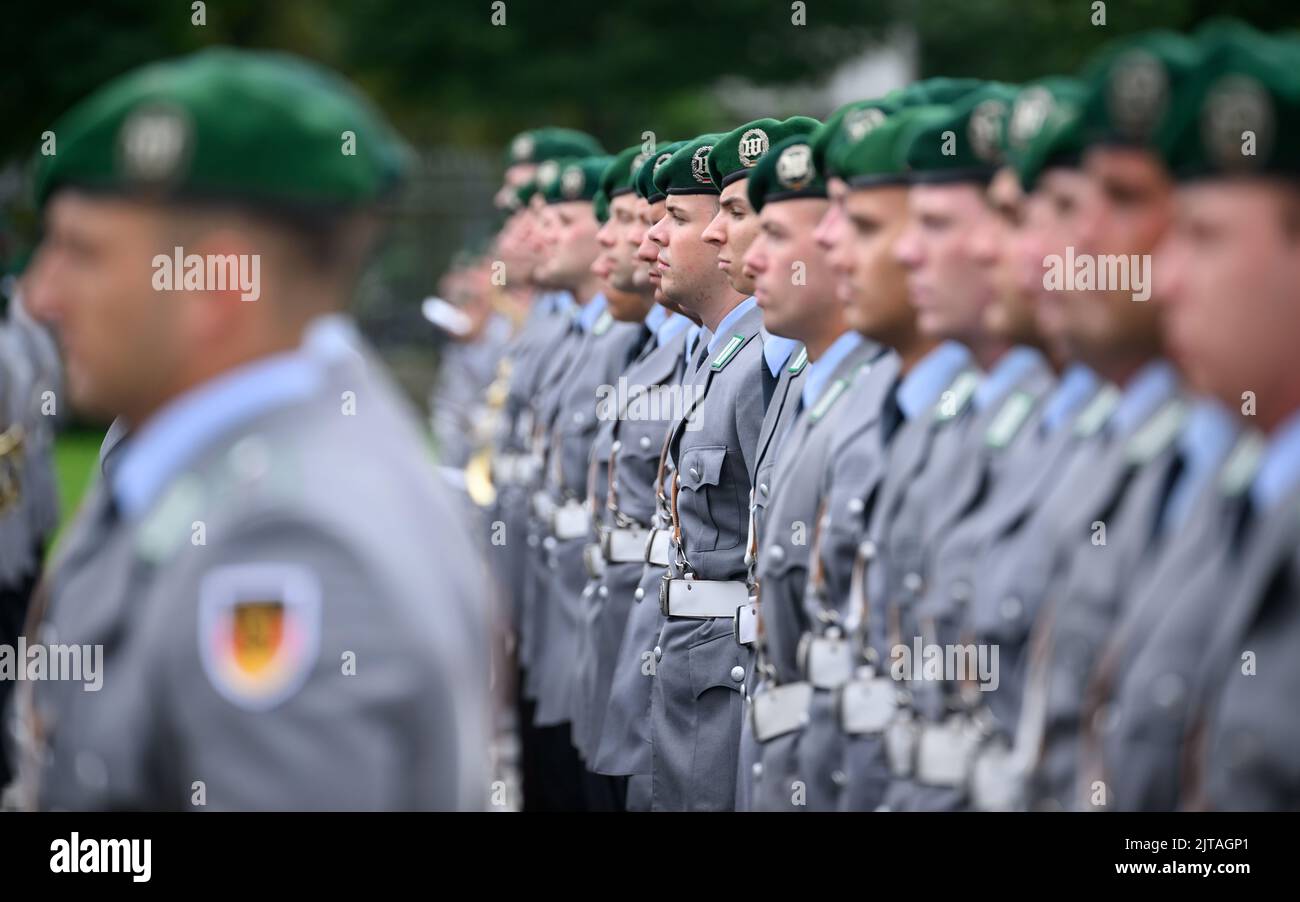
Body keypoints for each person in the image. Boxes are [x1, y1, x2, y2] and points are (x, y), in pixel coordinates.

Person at [11, 47, 491, 811]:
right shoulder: (228, 460)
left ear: (215, 284)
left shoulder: (289, 548)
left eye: (81, 252)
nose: (40, 296)